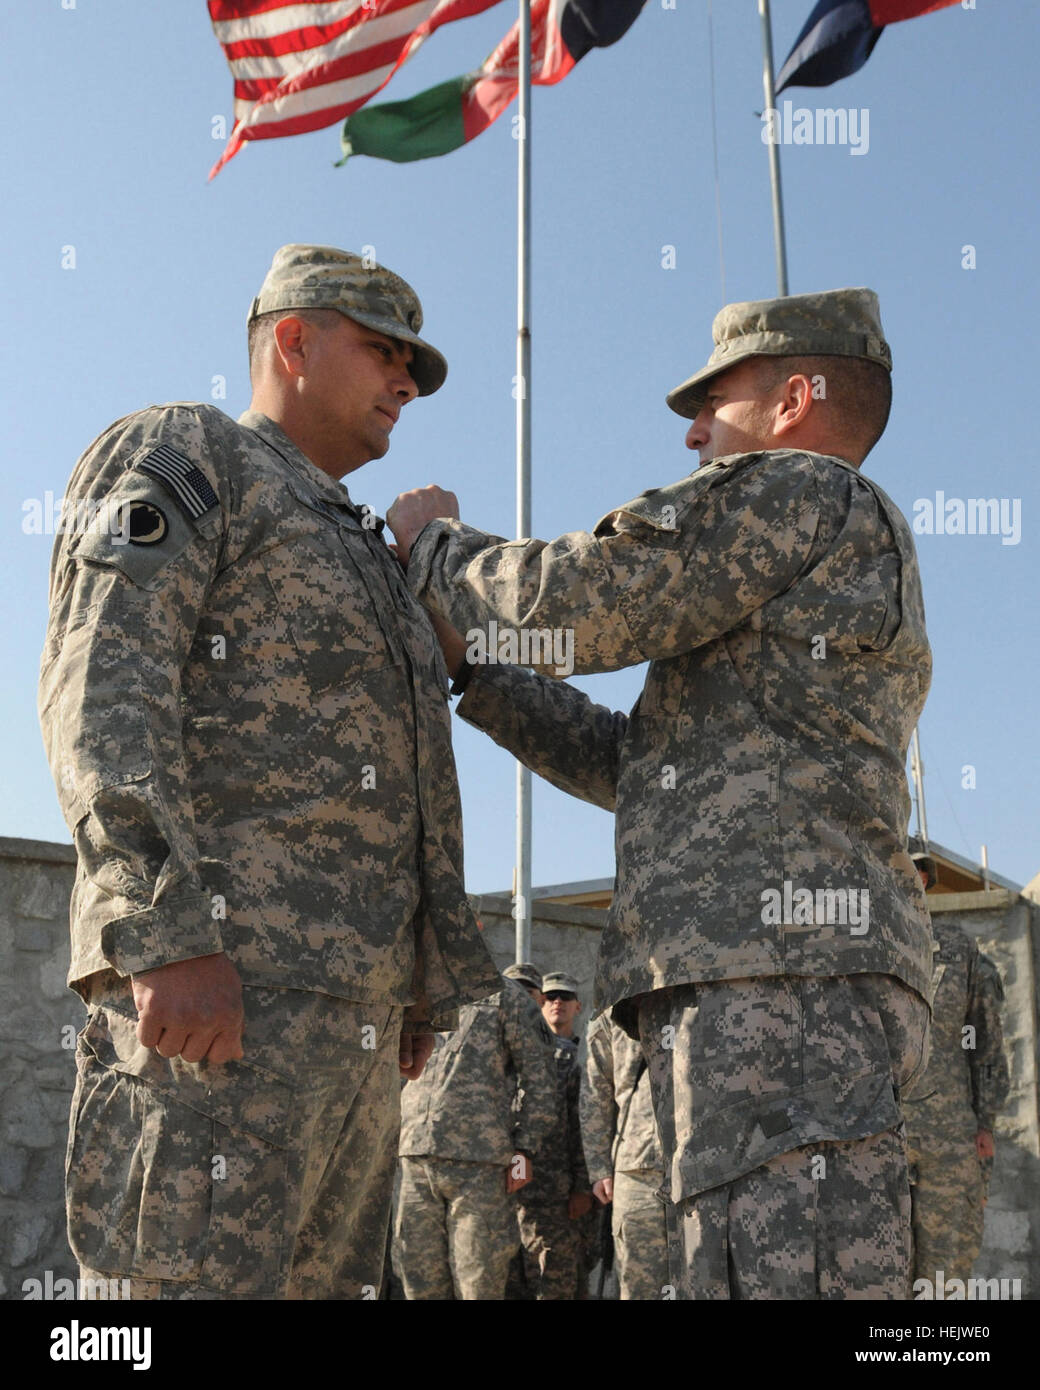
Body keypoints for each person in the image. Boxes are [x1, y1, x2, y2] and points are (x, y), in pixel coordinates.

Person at [386, 288, 934, 1299]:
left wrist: (439, 551)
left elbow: (596, 596)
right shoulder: (808, 562)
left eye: (712, 400)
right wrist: (480, 674)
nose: (691, 432)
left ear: (793, 400)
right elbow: (636, 767)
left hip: (772, 985)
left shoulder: (795, 491)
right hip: (750, 981)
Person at [37, 244, 499, 1300]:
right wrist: (161, 926)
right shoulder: (194, 454)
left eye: (414, 371)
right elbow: (104, 676)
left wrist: (414, 991)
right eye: (386, 352)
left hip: (356, 1036)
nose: (404, 385)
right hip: (220, 1005)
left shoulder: (367, 550)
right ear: (292, 339)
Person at [393, 974, 557, 1299]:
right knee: (417, 1280)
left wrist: (525, 1148)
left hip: (479, 1166)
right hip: (413, 1157)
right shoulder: (419, 990)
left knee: (478, 1282)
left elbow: (540, 1075)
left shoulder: (505, 994)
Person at [904, 853, 1010, 1289]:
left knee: (943, 1280)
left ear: (924, 879)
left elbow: (986, 1046)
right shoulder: (852, 945)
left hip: (946, 1148)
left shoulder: (958, 951)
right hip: (869, 1148)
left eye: (910, 869)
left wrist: (984, 1126)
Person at [512, 971, 594, 1299]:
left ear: (578, 1006)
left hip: (555, 1191)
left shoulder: (582, 1062)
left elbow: (583, 1126)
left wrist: (582, 1185)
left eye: (565, 996)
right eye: (551, 996)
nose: (557, 1001)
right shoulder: (511, 1053)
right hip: (513, 1189)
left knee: (558, 1279)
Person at [581, 1009, 668, 1300]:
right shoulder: (612, 1006)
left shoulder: (705, 987)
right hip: (640, 1169)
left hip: (711, 1164)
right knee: (641, 1286)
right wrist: (599, 1168)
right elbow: (596, 1091)